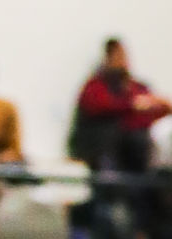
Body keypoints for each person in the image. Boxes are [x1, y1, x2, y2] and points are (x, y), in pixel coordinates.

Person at [73, 37, 170, 169]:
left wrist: (158, 105)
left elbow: (151, 107)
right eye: (117, 55)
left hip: (135, 153)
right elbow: (102, 106)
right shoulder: (95, 87)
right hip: (105, 150)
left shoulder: (134, 87)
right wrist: (133, 105)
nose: (122, 60)